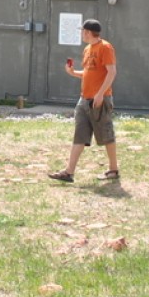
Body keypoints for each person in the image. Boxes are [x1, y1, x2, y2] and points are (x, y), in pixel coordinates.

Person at [48, 18, 118, 184]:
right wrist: (73, 73)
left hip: (100, 99)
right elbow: (88, 73)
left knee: (105, 134)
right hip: (84, 99)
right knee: (80, 134)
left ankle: (113, 169)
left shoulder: (105, 48)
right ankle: (68, 172)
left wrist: (101, 94)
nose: (81, 34)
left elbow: (112, 72)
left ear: (88, 32)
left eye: (83, 31)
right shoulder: (87, 49)